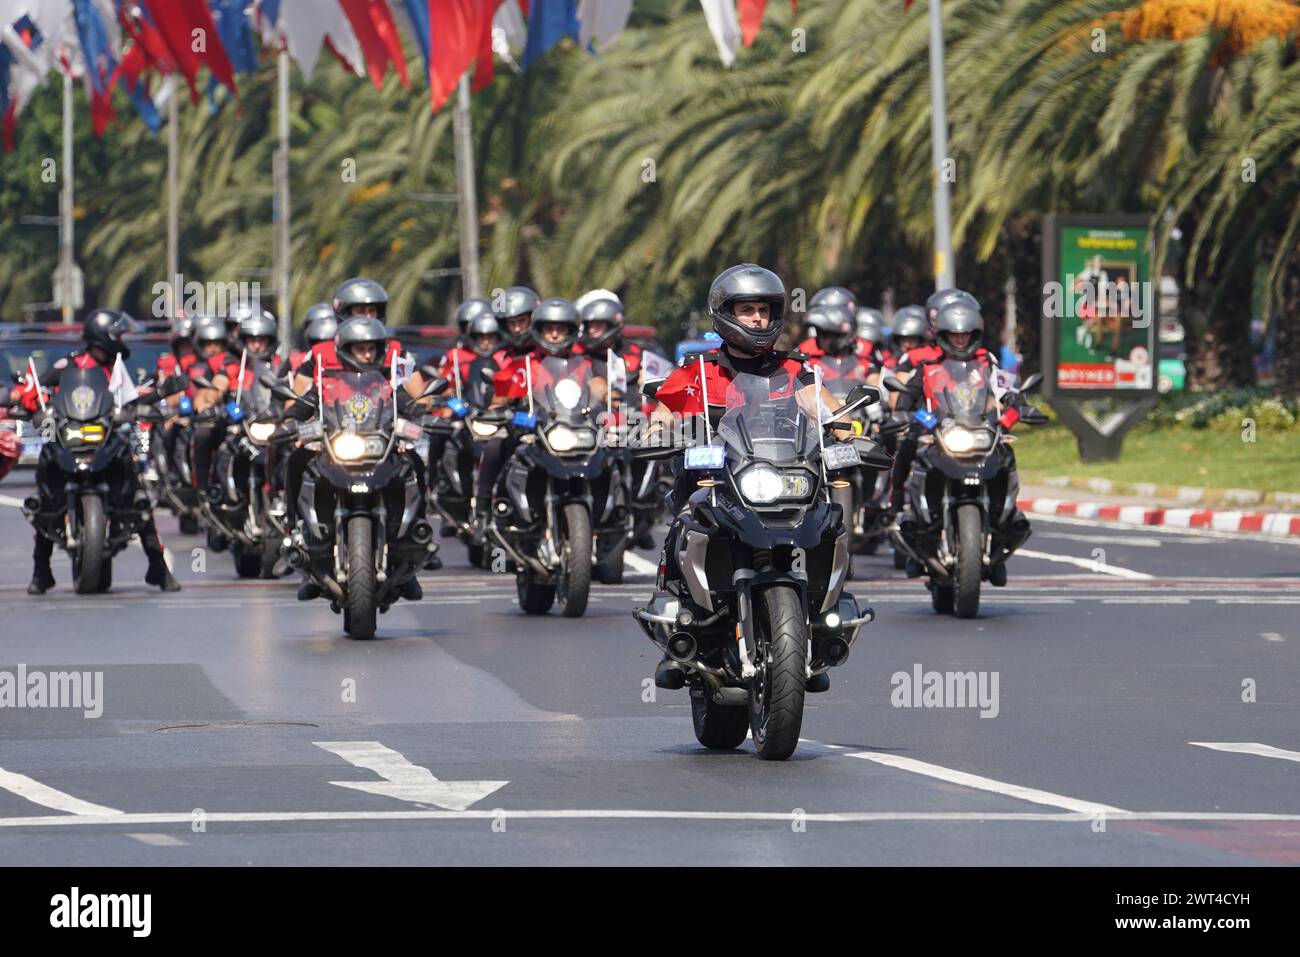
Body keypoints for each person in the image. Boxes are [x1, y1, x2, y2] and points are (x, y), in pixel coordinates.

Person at [646, 265, 855, 691]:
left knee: (829, 521)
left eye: (763, 310)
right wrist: (658, 431)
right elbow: (664, 411)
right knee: (685, 519)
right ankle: (675, 621)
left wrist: (845, 426)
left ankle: (817, 623)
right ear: (725, 315)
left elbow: (822, 405)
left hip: (781, 477)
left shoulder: (793, 369)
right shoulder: (698, 371)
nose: (758, 319)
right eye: (747, 310)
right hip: (717, 480)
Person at [19, 310, 180, 594]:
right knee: (47, 485)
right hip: (70, 434)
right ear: (104, 336)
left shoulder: (115, 368)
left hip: (106, 436)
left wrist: (160, 393)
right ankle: (40, 569)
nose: (122, 340)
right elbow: (38, 386)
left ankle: (157, 565)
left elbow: (130, 399)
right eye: (118, 335)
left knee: (137, 493)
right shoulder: (69, 364)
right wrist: (32, 401)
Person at [892, 301, 1032, 583]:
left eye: (965, 334)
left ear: (974, 334)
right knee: (917, 459)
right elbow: (906, 400)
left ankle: (1004, 522)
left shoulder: (986, 364)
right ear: (942, 335)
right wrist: (916, 417)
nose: (960, 339)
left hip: (981, 434)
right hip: (940, 436)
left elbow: (1008, 391)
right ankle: (917, 524)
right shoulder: (928, 367)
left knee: (1006, 456)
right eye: (954, 334)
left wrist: (1020, 406)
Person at [472, 299, 607, 539]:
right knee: (494, 446)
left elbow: (599, 388)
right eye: (549, 329)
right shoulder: (522, 363)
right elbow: (499, 398)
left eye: (561, 329)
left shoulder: (583, 362)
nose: (554, 335)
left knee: (611, 452)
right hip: (531, 426)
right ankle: (483, 510)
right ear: (539, 331)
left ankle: (609, 516)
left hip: (573, 427)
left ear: (570, 330)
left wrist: (606, 401)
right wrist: (497, 410)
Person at [439, 296, 494, 389]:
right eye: (466, 326)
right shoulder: (455, 355)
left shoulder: (503, 354)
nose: (470, 331)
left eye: (475, 326)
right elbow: (444, 384)